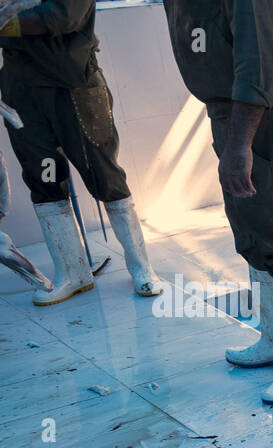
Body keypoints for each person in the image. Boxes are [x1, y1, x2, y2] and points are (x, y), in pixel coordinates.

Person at [161, 0, 273, 405]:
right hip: (231, 107)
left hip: (268, 107)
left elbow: (258, 57)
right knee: (253, 230)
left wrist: (240, 144)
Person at [0, 0, 161, 305]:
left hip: (75, 86)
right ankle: (72, 272)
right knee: (43, 176)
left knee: (105, 175)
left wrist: (7, 22)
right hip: (21, 91)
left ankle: (141, 267)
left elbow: (62, 16)